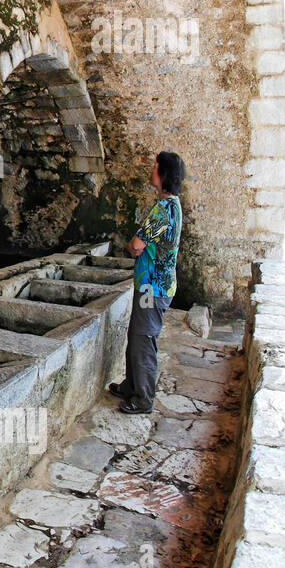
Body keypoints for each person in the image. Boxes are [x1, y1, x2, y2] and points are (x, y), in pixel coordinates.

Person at [107, 151, 185, 414]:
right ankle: (132, 385)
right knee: (136, 335)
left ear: (163, 175)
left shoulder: (163, 210)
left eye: (155, 167)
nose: (151, 170)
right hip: (153, 285)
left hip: (153, 288)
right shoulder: (173, 205)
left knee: (144, 339)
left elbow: (136, 245)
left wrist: (133, 245)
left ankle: (143, 399)